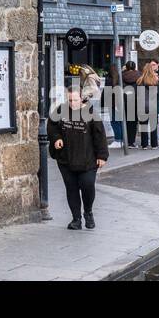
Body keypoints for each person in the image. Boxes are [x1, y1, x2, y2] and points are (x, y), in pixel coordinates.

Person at [47, 84, 108, 230]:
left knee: (87, 186)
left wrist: (102, 156)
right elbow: (52, 126)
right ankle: (76, 219)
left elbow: (100, 135)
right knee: (71, 188)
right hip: (66, 159)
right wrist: (56, 138)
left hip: (87, 159)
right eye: (70, 100)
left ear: (81, 98)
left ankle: (88, 212)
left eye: (75, 100)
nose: (72, 103)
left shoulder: (91, 113)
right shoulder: (61, 110)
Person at [136, 60, 159, 148]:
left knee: (143, 125)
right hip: (152, 105)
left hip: (142, 106)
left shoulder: (139, 80)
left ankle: (144, 145)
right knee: (153, 126)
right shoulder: (155, 80)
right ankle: (154, 145)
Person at [121, 61, 140, 147]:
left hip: (125, 100)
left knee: (126, 121)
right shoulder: (139, 75)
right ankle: (131, 141)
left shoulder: (122, 75)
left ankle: (126, 140)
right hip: (136, 100)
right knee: (133, 122)